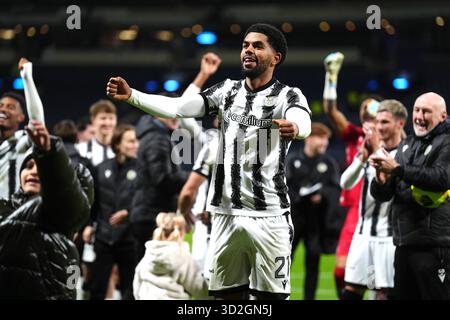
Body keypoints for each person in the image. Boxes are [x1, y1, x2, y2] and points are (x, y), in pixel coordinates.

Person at [107, 23, 311, 300]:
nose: (248, 50)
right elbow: (179, 107)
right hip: (224, 214)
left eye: (258, 45)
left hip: (270, 215)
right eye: (245, 45)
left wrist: (296, 128)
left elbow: (303, 119)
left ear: (276, 58)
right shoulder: (226, 91)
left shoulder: (288, 95)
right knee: (225, 297)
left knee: (270, 301)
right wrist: (133, 95)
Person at [130, 52, 221, 261]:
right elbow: (183, 109)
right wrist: (203, 75)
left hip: (232, 217)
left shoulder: (249, 146)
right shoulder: (210, 140)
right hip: (203, 219)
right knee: (202, 273)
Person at [0, 120, 94, 299]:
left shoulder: (65, 213)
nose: (33, 172)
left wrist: (49, 154)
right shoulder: (5, 208)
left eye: (40, 167)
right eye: (28, 167)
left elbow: (72, 204)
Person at [370, 92, 450, 300]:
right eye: (417, 110)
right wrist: (381, 179)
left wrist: (397, 169)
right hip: (404, 244)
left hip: (435, 247)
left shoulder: (447, 143)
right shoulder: (408, 145)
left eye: (426, 111)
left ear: (443, 116)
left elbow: (442, 178)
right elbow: (385, 195)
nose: (420, 116)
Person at [322, 52, 381, 298]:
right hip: (354, 210)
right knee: (340, 272)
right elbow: (330, 110)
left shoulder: (392, 141)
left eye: (371, 114)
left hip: (381, 209)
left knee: (381, 279)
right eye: (363, 113)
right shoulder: (352, 135)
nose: (365, 117)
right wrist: (331, 78)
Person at [340, 100, 407, 300]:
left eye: (384, 122)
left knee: (382, 294)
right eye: (377, 122)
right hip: (363, 236)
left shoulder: (404, 154)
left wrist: (375, 148)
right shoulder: (369, 151)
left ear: (399, 124)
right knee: (351, 292)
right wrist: (362, 157)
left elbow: (386, 186)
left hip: (389, 239)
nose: (379, 127)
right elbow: (345, 183)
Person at [286, 122, 341, 300]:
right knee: (284, 262)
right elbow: (283, 187)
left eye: (326, 140)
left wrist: (323, 195)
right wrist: (298, 196)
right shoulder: (292, 160)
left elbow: (335, 188)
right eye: (321, 139)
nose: (324, 143)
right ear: (309, 139)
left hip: (316, 223)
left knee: (313, 263)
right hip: (293, 221)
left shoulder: (329, 163)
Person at [84, 124, 139, 300]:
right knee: (97, 290)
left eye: (136, 141)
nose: (135, 145)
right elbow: (93, 202)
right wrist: (88, 225)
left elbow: (146, 202)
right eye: (130, 141)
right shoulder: (100, 168)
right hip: (103, 238)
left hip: (130, 240)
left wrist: (129, 213)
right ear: (117, 144)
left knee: (129, 291)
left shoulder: (142, 169)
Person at [133, 212, 210, 300]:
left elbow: (137, 285)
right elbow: (199, 288)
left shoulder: (149, 255)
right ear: (181, 232)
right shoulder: (182, 256)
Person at [0, 58, 45, 199]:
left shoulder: (23, 142)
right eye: (1, 106)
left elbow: (37, 122)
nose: (3, 110)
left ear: (21, 117)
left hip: (13, 214)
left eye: (11, 107)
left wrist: (27, 78)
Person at [177, 124, 219, 275]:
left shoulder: (214, 145)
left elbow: (188, 192)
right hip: (253, 225)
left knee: (207, 280)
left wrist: (181, 214)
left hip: (213, 224)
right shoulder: (257, 144)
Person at [76, 100, 117, 166]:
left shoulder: (122, 150)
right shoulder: (80, 150)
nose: (107, 123)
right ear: (93, 120)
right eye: (103, 118)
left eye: (111, 118)